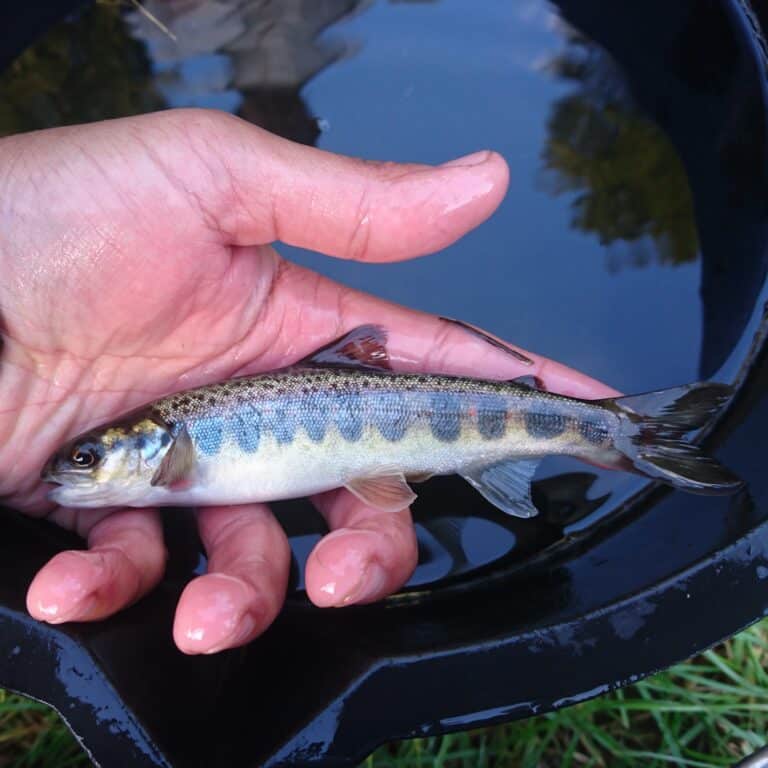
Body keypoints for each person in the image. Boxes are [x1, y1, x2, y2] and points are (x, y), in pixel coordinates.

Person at [0, 109, 616, 655]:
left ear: (152, 448)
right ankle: (618, 430)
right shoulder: (161, 449)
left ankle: (615, 428)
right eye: (82, 458)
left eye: (85, 458)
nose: (71, 470)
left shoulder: (172, 444)